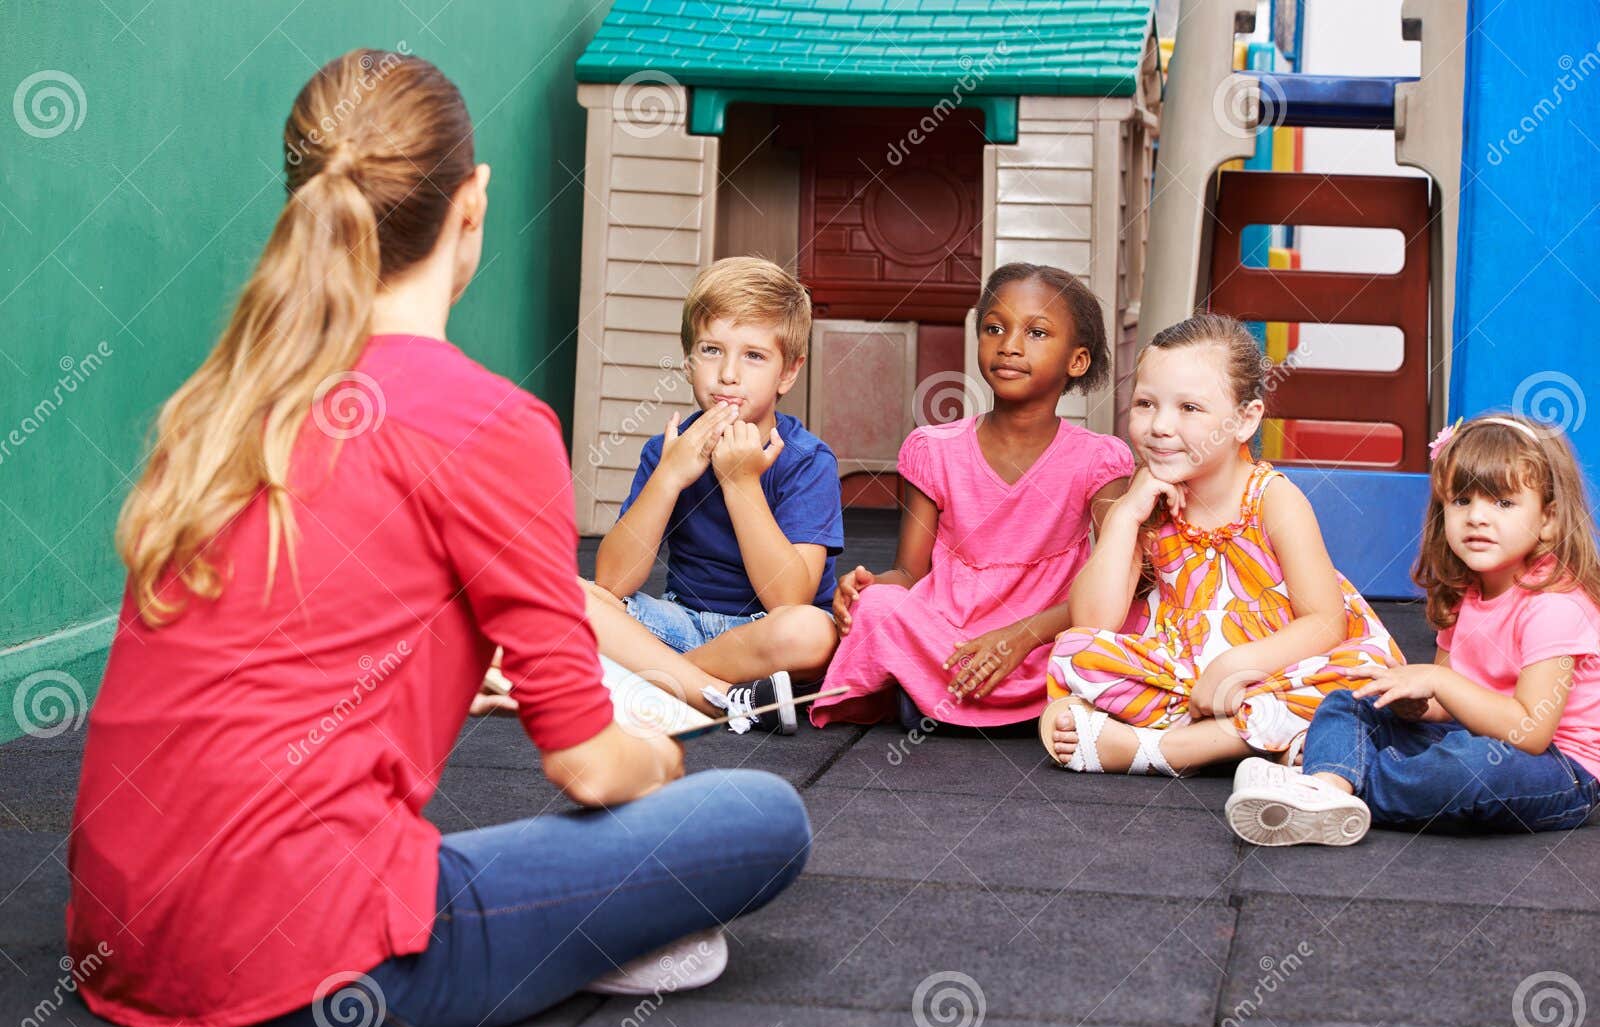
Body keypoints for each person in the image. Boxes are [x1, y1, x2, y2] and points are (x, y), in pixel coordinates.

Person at [65, 49, 810, 1027]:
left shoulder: (219, 402)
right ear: (473, 204)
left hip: (116, 938)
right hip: (310, 964)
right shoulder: (489, 424)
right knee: (762, 818)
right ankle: (602, 927)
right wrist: (658, 773)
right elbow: (588, 768)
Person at [1043, 313, 1402, 775]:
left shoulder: (1273, 498)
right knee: (1073, 652)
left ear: (1244, 420)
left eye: (1189, 409)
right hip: (1187, 676)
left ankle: (1165, 750)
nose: (1160, 426)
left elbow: (1326, 622)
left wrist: (1237, 662)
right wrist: (1125, 517)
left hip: (1277, 664)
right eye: (1146, 404)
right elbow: (1094, 621)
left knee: (1353, 687)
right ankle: (1261, 740)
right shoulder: (1146, 497)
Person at [1227, 414, 1600, 845]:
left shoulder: (1554, 605)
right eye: (1461, 501)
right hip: (1472, 732)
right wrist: (1415, 702)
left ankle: (1342, 784)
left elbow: (1531, 732)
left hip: (1560, 767)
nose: (1477, 517)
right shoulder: (1469, 590)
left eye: (1502, 503)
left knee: (1470, 766)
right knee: (1348, 702)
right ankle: (1326, 786)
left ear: (1549, 520)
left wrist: (1437, 680)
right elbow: (1450, 705)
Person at [810, 262, 1134, 730]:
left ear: (1076, 361)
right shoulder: (934, 449)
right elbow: (908, 574)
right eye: (994, 328)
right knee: (878, 608)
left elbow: (1117, 583)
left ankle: (933, 697)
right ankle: (978, 701)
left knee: (1124, 621)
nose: (1010, 345)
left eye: (1037, 332)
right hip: (950, 642)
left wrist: (1022, 635)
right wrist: (866, 587)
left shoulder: (1099, 459)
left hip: (1045, 640)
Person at [577, 256, 842, 735]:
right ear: (687, 360)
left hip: (763, 637)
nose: (728, 375)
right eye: (712, 350)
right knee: (568, 597)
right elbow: (613, 582)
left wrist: (741, 483)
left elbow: (788, 597)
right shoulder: (666, 451)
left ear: (788, 373)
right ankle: (722, 698)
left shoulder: (808, 461)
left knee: (813, 632)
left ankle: (656, 683)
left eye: (754, 356)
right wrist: (669, 476)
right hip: (677, 623)